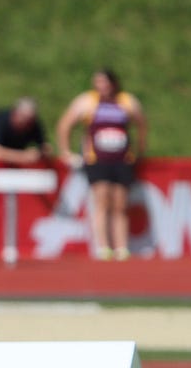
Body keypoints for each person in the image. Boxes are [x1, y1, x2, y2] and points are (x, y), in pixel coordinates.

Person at [56, 68, 148, 261]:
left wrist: (140, 151)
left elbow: (142, 124)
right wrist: (66, 152)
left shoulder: (126, 101)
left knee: (120, 204)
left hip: (122, 160)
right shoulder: (87, 101)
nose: (101, 87)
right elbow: (65, 124)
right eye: (98, 83)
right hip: (97, 160)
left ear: (113, 83)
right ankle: (103, 247)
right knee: (102, 201)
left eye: (105, 82)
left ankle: (122, 247)